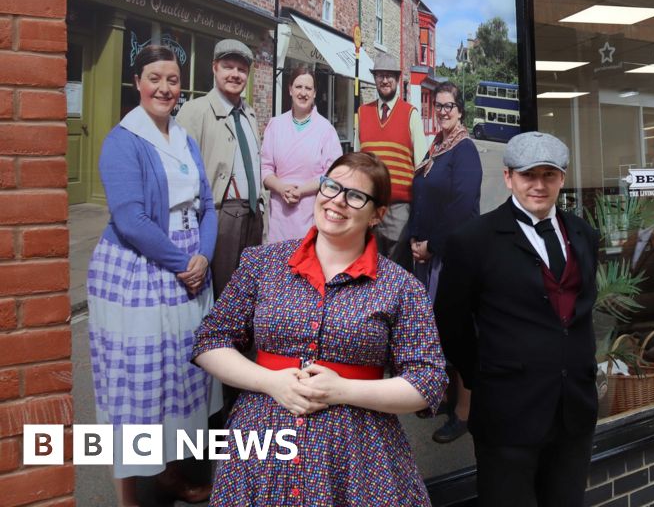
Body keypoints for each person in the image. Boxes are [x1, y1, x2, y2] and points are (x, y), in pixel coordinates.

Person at [192, 152, 447, 506]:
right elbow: (211, 339)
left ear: (377, 214)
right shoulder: (263, 263)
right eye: (331, 187)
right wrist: (271, 382)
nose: (337, 201)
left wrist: (343, 390)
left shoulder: (401, 287)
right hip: (261, 443)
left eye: (355, 196)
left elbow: (428, 381)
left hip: (358, 452)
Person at [435, 132, 600, 507]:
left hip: (574, 411)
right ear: (509, 177)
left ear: (562, 178)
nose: (539, 185)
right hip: (506, 412)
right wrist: (484, 376)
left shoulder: (584, 234)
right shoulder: (473, 240)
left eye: (549, 175)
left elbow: (577, 313)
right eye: (528, 175)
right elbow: (451, 323)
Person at [87, 45, 221, 506]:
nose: (165, 88)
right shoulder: (123, 140)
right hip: (140, 271)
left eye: (173, 80)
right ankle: (127, 498)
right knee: (136, 387)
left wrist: (204, 255)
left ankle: (169, 473)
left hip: (189, 269)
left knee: (180, 376)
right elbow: (131, 219)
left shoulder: (183, 137)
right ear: (137, 82)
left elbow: (207, 205)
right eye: (155, 78)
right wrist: (184, 263)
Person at [408, 81, 482, 443]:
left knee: (458, 333)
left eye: (449, 105)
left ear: (460, 110)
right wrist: (415, 238)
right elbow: (423, 196)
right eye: (438, 105)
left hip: (451, 258)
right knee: (437, 330)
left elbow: (462, 209)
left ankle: (464, 413)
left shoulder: (464, 151)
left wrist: (432, 246)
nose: (442, 111)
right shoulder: (437, 146)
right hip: (429, 255)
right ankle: (447, 397)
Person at [177, 38, 263, 298]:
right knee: (222, 294)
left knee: (247, 292)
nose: (235, 74)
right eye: (228, 67)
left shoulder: (249, 114)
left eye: (241, 70)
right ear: (214, 67)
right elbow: (181, 173)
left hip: (253, 216)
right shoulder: (195, 111)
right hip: (220, 216)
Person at [260, 65, 343, 243]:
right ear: (290, 89)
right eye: (298, 87)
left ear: (314, 93)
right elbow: (265, 168)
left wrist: (302, 191)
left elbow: (333, 175)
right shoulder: (275, 125)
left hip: (311, 214)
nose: (303, 93)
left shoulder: (326, 130)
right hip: (279, 217)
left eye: (308, 88)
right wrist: (281, 188)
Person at [354, 53, 425, 258]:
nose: (385, 80)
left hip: (399, 209)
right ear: (375, 78)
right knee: (368, 265)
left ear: (397, 78)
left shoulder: (410, 114)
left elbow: (421, 168)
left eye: (390, 76)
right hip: (369, 206)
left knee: (397, 267)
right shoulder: (362, 113)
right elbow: (358, 164)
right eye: (380, 75)